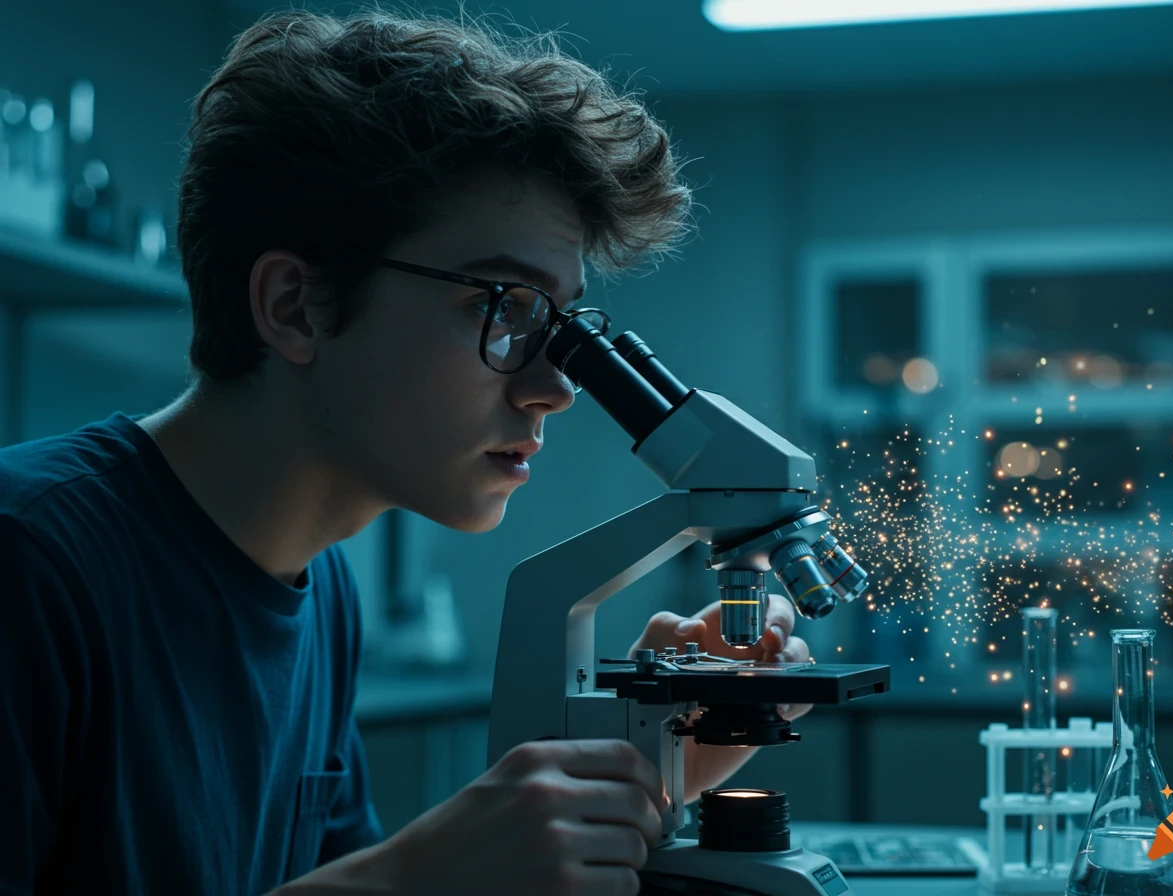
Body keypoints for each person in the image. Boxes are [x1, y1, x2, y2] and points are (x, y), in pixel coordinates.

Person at [0, 8, 813, 896]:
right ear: (295, 307)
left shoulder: (321, 593)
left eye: (566, 326)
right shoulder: (30, 564)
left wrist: (635, 772)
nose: (557, 385)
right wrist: (412, 879)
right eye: (504, 306)